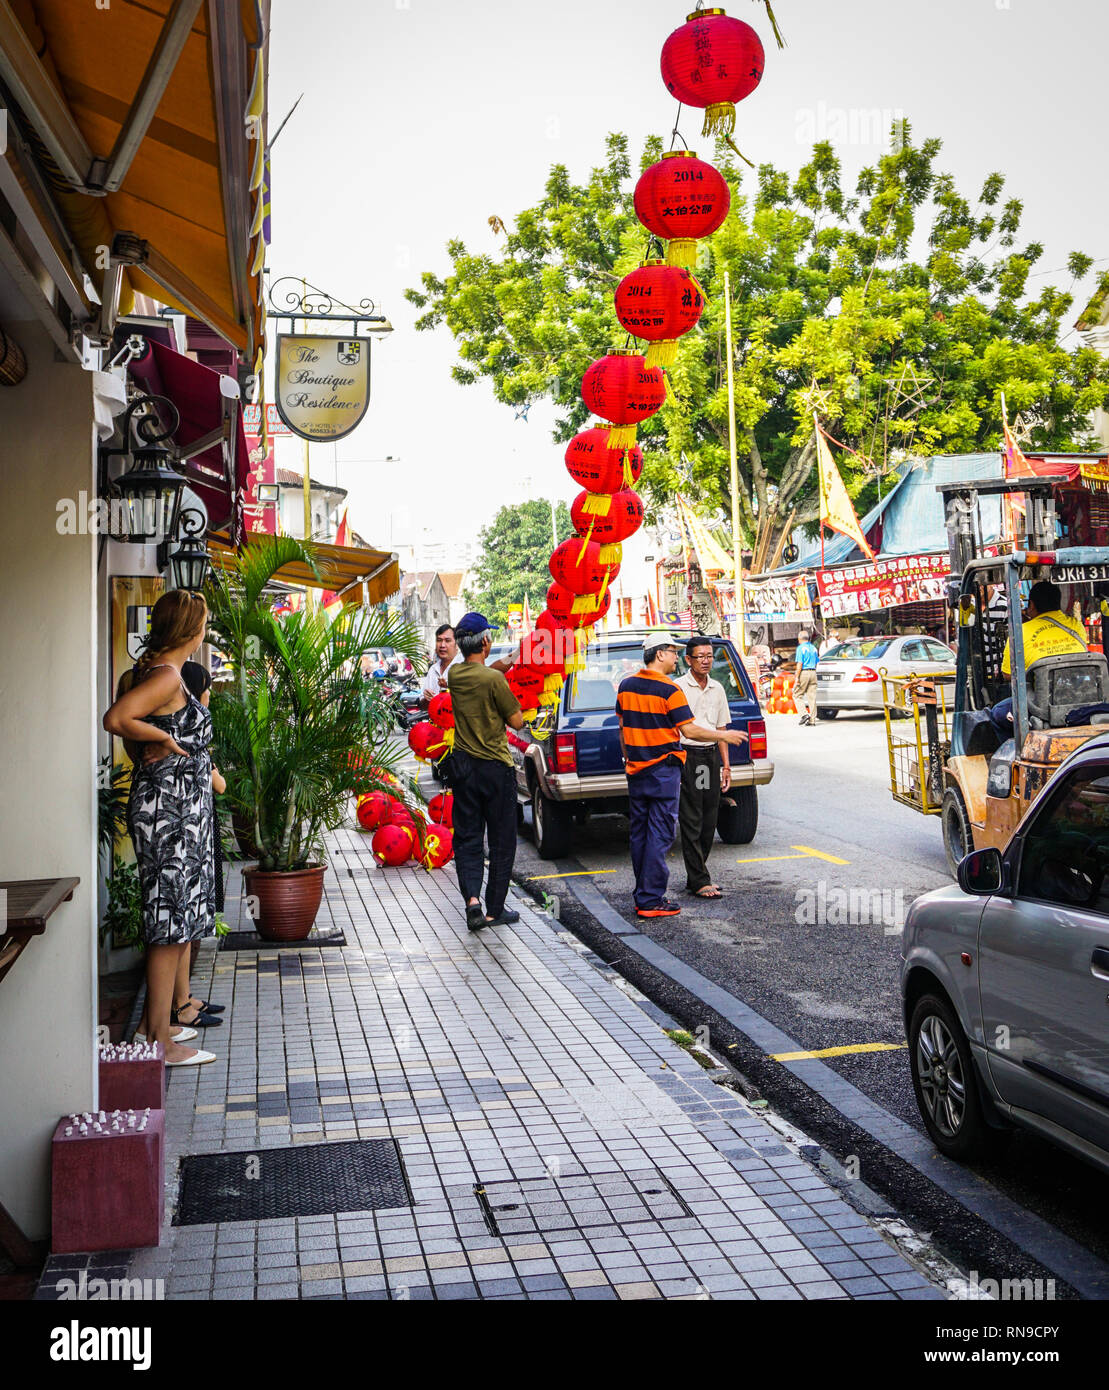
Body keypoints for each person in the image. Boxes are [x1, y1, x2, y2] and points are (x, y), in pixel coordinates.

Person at [102, 591, 218, 1067]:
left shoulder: (162, 674)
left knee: (174, 918)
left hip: (179, 810)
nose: (207, 630)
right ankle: (161, 1046)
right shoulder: (168, 674)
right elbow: (115, 718)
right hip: (168, 813)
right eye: (204, 623)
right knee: (168, 921)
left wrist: (163, 742)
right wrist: (164, 737)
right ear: (190, 630)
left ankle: (155, 1028)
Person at [616, 638, 749, 919]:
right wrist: (723, 735)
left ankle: (644, 894)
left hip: (637, 771)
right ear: (660, 654)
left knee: (641, 834)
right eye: (674, 653)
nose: (676, 658)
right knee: (661, 833)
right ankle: (651, 899)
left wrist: (630, 759)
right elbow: (689, 731)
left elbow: (622, 728)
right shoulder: (670, 689)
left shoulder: (626, 686)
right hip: (664, 770)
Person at [447, 611, 526, 930]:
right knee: (502, 839)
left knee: (467, 838)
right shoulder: (495, 680)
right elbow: (517, 721)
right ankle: (495, 909)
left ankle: (472, 902)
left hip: (463, 766)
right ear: (484, 642)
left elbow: (479, 674)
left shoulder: (455, 676)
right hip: (495, 767)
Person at [989, 580, 1088, 738]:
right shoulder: (1076, 626)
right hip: (1082, 697)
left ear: (1032, 605)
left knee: (998, 713)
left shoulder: (1020, 632)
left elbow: (1008, 675)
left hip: (1043, 707)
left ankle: (1016, 756)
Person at [675, 637, 732, 899]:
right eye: (700, 656)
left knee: (710, 816)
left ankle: (696, 875)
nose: (707, 661)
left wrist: (726, 766)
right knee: (693, 818)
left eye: (710, 655)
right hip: (690, 756)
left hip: (710, 757)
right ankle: (699, 879)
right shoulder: (678, 688)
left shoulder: (717, 688)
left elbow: (722, 730)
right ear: (688, 660)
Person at [420, 624, 461, 708]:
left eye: (447, 640)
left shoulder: (463, 667)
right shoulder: (433, 669)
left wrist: (447, 690)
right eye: (439, 640)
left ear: (456, 645)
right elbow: (423, 706)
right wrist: (426, 699)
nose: (442, 645)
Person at [794, 629, 820, 726]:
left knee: (797, 695)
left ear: (799, 639)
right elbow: (817, 662)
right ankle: (812, 720)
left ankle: (804, 714)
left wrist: (797, 677)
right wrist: (813, 672)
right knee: (812, 698)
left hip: (804, 673)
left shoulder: (800, 648)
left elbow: (800, 663)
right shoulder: (814, 648)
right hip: (813, 672)